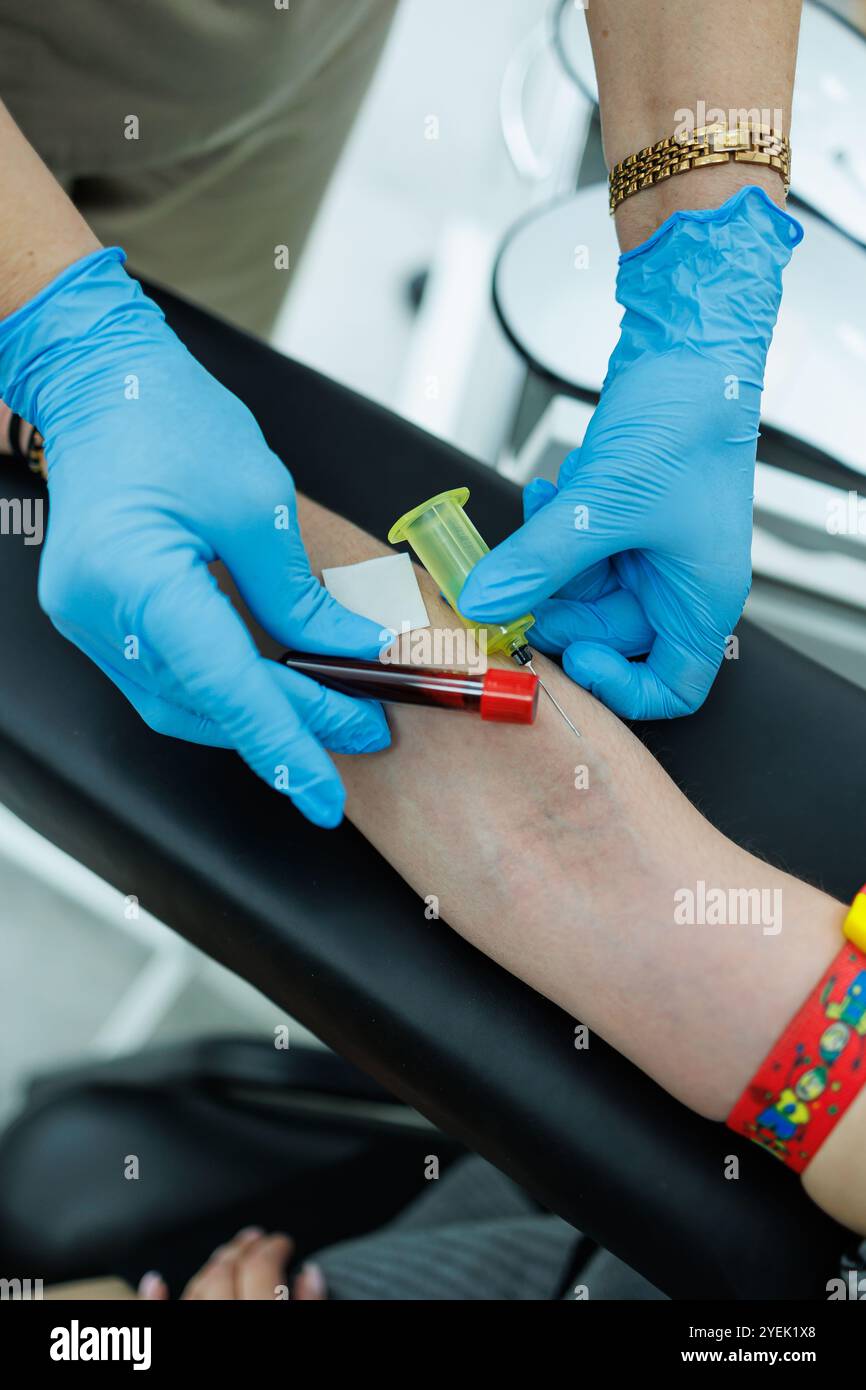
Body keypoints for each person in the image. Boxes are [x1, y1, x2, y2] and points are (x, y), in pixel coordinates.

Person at [0, 0, 806, 829]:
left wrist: (705, 283)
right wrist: (62, 345)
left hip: (275, 45)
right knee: (70, 445)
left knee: (196, 352)